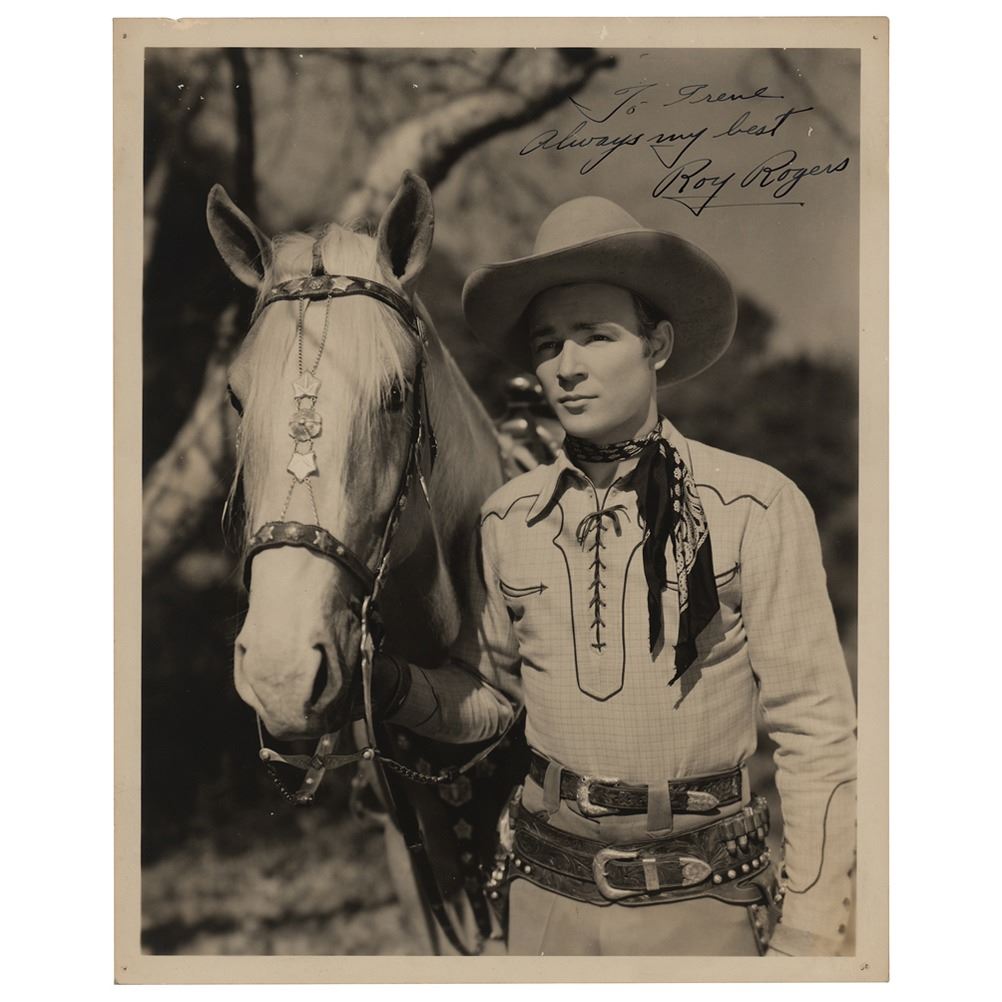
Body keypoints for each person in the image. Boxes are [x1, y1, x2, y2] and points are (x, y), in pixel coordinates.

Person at [372, 196, 857, 957]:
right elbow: (490, 702)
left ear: (657, 344)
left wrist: (814, 928)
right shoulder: (506, 521)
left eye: (596, 336)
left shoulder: (755, 505)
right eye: (547, 343)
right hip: (543, 903)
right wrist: (387, 681)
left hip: (705, 903)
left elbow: (818, 729)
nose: (567, 367)